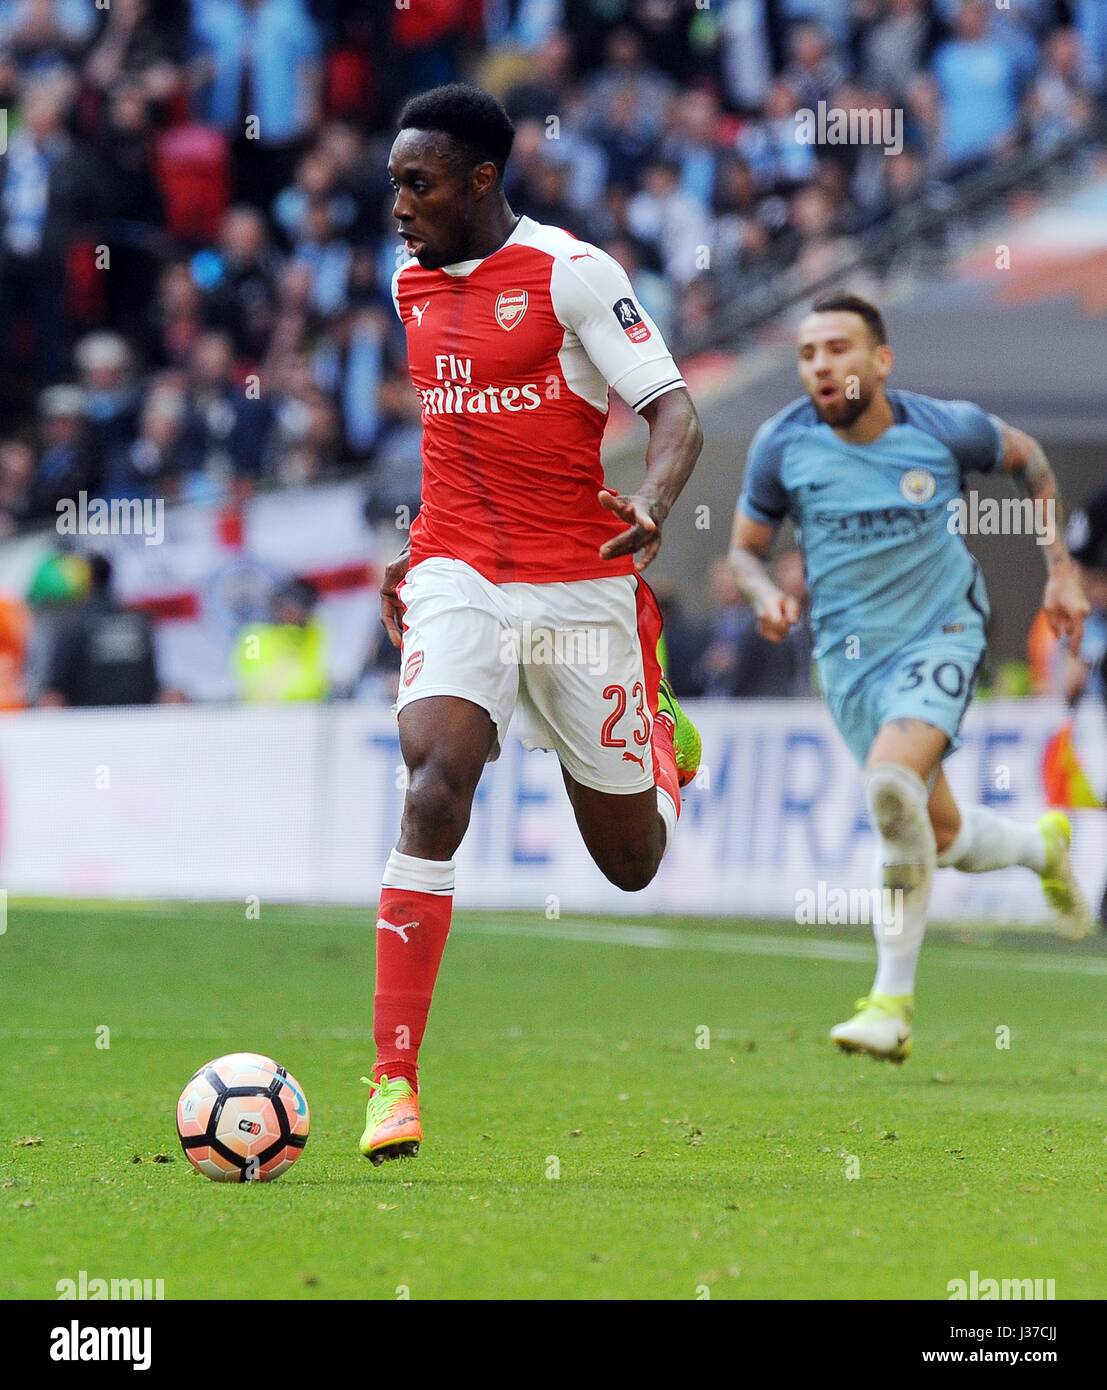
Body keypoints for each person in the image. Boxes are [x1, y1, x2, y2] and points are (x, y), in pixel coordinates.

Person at [362, 84, 703, 1164]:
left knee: (631, 864)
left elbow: (673, 408)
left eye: (417, 184)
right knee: (432, 780)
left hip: (579, 588)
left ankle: (655, 716)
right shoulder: (408, 282)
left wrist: (651, 502)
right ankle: (394, 1080)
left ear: (480, 179)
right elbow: (451, 437)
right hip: (457, 571)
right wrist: (414, 552)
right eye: (391, 186)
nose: (399, 206)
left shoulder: (573, 274)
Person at [728, 292, 1090, 1063]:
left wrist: (1059, 572)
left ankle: (889, 1003)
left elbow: (1030, 462)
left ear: (879, 361)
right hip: (848, 666)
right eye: (806, 354)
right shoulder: (780, 445)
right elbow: (743, 549)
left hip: (943, 633)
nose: (820, 365)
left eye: (837, 349)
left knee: (892, 788)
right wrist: (762, 594)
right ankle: (1039, 848)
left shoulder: (943, 429)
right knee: (941, 833)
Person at [39, 553, 159, 707]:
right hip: (137, 720)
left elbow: (55, 690)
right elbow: (156, 679)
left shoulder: (74, 624)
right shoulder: (140, 622)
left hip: (88, 723)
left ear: (87, 580)